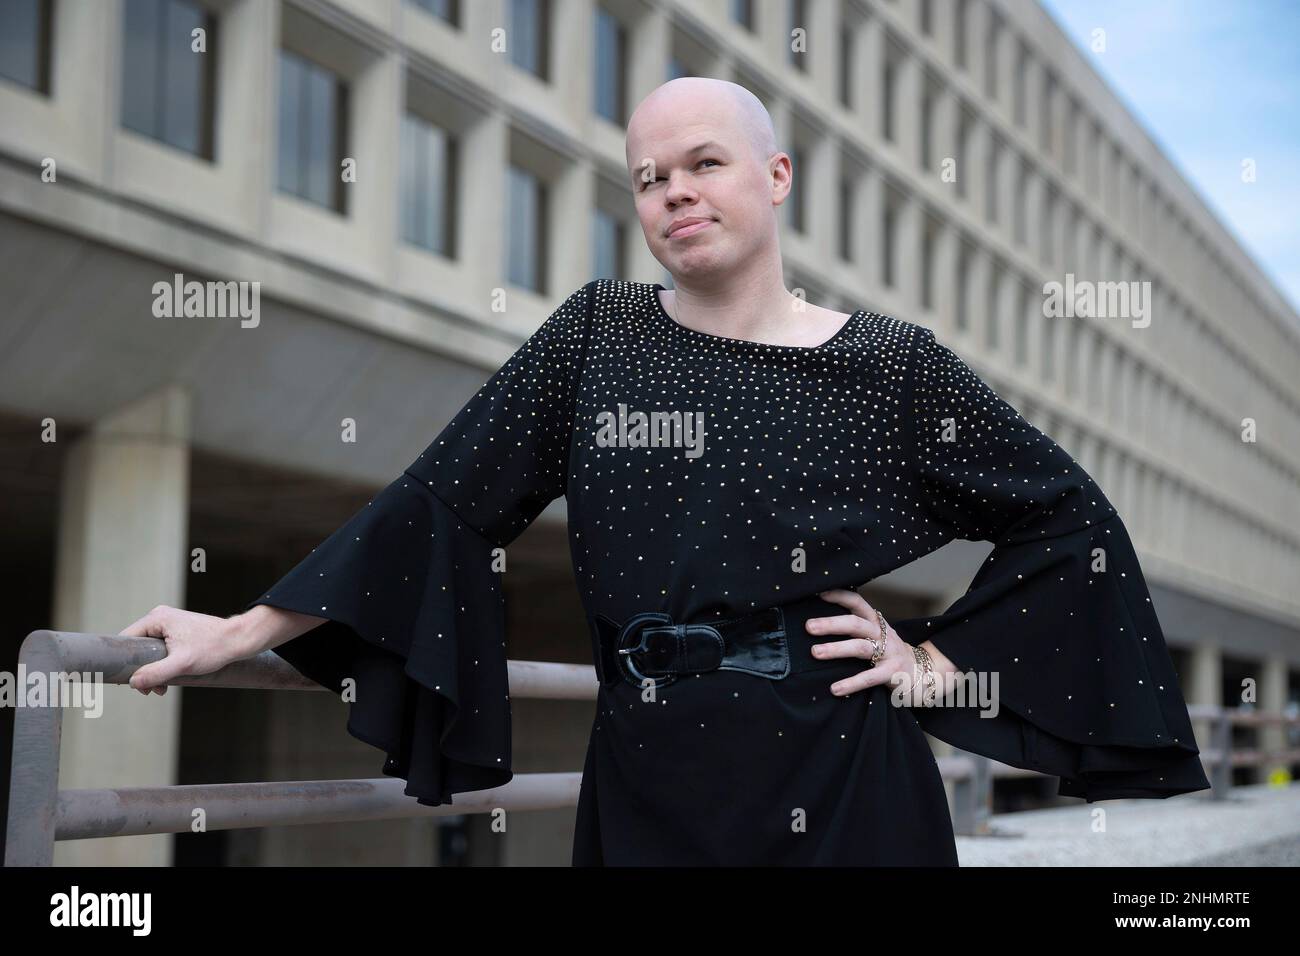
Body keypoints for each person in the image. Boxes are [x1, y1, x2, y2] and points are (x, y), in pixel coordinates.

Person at [122, 77, 1210, 865]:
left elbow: (1071, 518)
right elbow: (439, 499)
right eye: (649, 178)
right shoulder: (595, 332)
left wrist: (932, 658)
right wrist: (234, 633)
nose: (674, 192)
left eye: (704, 164)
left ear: (775, 175)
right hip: (647, 777)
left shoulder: (892, 365)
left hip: (842, 782)